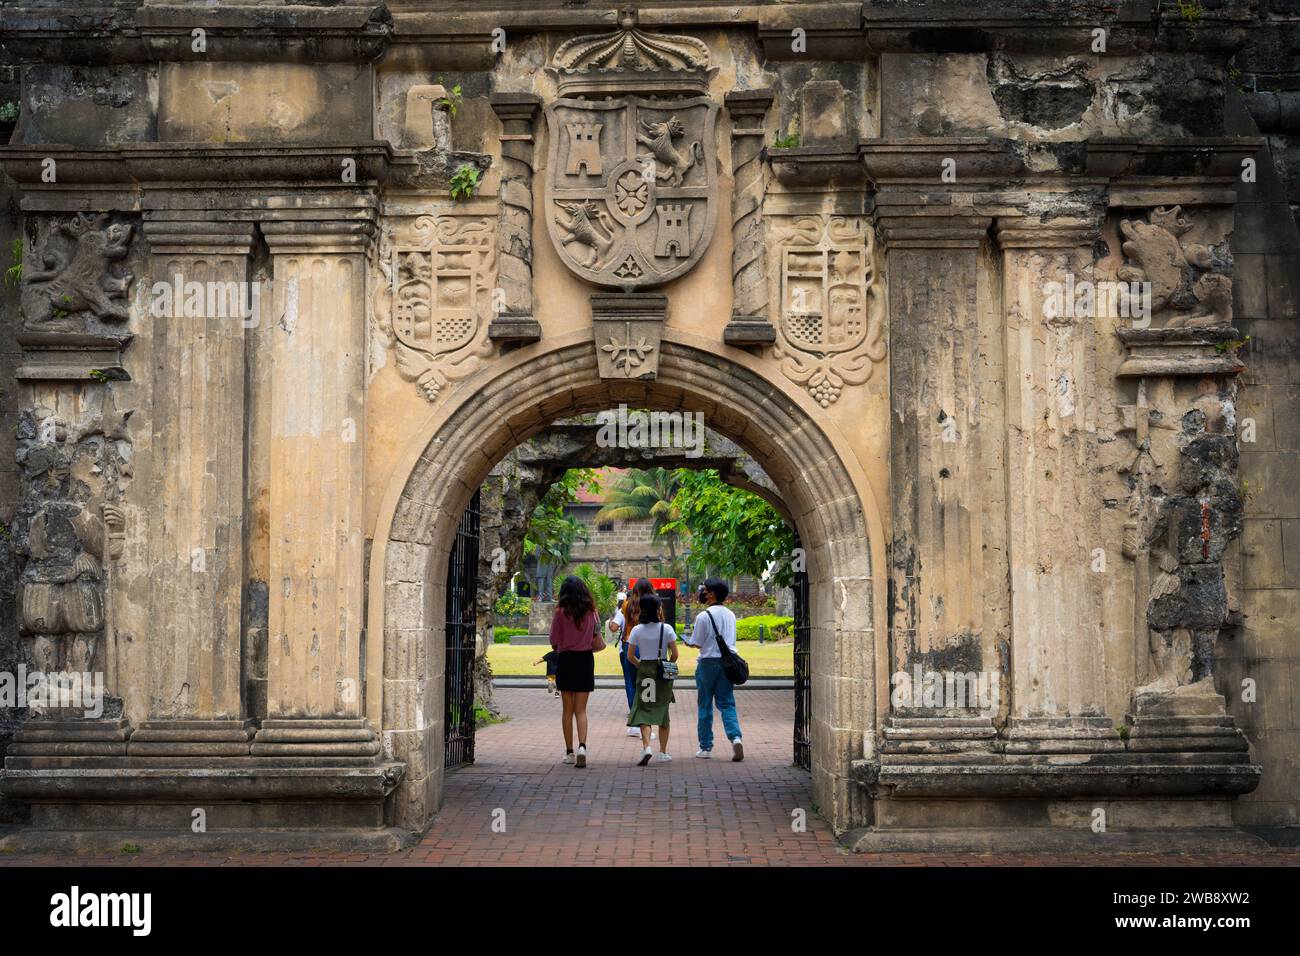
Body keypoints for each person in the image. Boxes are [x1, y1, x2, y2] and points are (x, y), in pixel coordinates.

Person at [684, 577, 743, 761]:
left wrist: (689, 642)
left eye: (706, 590)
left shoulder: (703, 616)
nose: (703, 592)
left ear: (712, 594)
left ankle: (706, 747)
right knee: (727, 703)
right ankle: (735, 737)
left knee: (705, 705)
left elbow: (697, 642)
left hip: (707, 663)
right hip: (727, 664)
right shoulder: (730, 615)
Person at [549, 575, 604, 768]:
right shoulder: (592, 612)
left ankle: (569, 752)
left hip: (566, 659)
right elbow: (597, 636)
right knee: (581, 710)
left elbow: (553, 640)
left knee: (567, 709)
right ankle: (582, 746)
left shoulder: (560, 612)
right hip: (585, 659)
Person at [625, 593, 678, 766]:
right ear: (658, 609)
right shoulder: (667, 629)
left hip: (645, 670)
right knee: (663, 710)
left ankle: (647, 747)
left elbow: (630, 656)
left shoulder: (637, 630)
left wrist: (641, 665)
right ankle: (663, 752)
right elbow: (675, 654)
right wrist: (667, 665)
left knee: (644, 710)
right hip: (662, 670)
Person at [612, 580, 657, 737]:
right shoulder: (655, 605)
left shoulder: (626, 605)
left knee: (631, 683)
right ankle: (647, 722)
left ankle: (636, 723)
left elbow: (616, 625)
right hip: (649, 645)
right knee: (648, 682)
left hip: (630, 645)